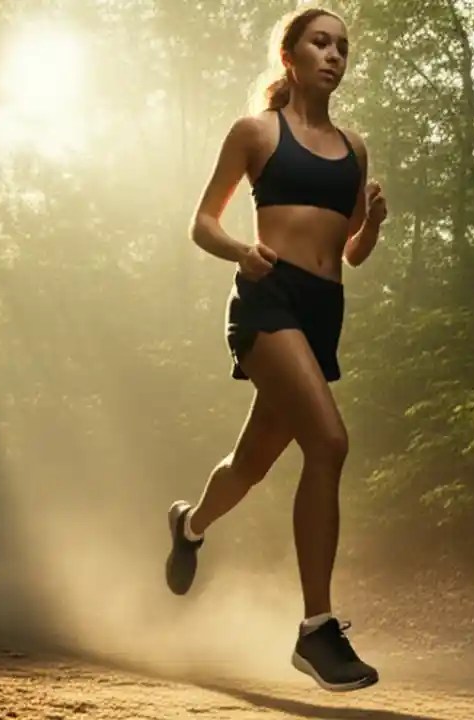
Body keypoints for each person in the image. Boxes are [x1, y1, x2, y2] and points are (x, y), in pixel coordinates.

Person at [163, 6, 387, 693]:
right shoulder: (257, 132)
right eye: (321, 42)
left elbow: (349, 252)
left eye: (343, 47)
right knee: (329, 442)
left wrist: (371, 224)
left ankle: (190, 523)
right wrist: (241, 250)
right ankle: (316, 629)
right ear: (289, 55)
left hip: (322, 311)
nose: (334, 55)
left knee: (252, 463)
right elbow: (202, 222)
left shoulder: (355, 148)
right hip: (267, 299)